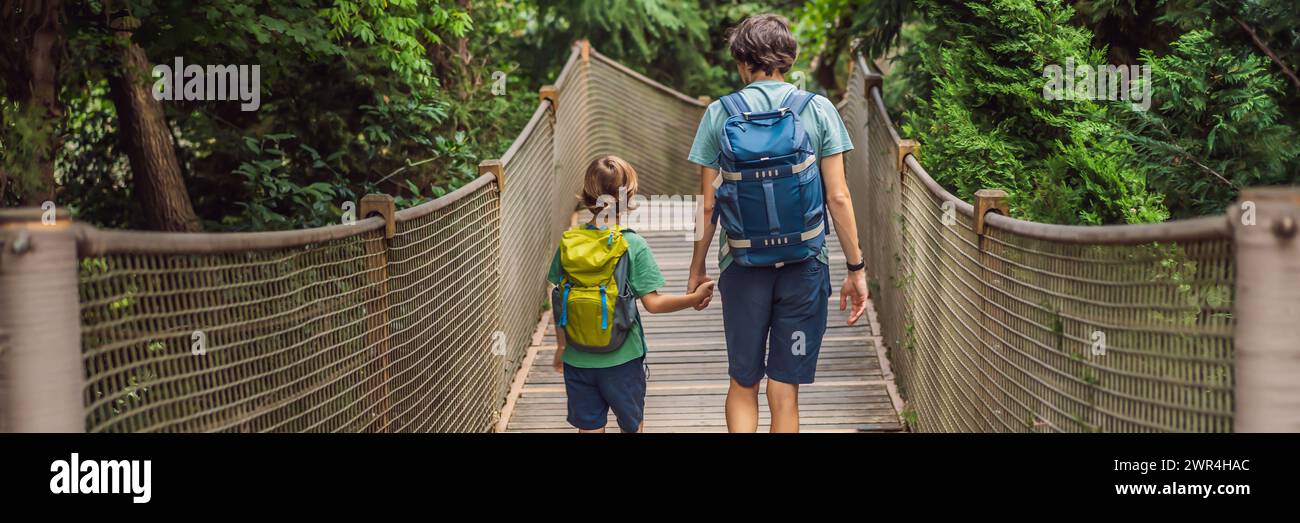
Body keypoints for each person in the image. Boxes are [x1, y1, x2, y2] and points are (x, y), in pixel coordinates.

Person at [686, 14, 869, 433]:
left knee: (743, 381)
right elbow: (838, 197)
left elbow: (708, 206)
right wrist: (856, 269)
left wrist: (697, 269)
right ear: (788, 59)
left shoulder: (719, 113)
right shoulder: (818, 109)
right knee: (784, 389)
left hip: (744, 266)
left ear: (742, 62)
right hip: (804, 266)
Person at [549, 155, 716, 433]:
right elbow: (654, 303)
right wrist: (693, 298)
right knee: (632, 426)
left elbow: (558, 297)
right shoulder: (632, 244)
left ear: (588, 194)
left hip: (578, 357)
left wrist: (562, 346)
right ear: (629, 197)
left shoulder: (570, 243)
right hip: (623, 358)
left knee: (588, 428)